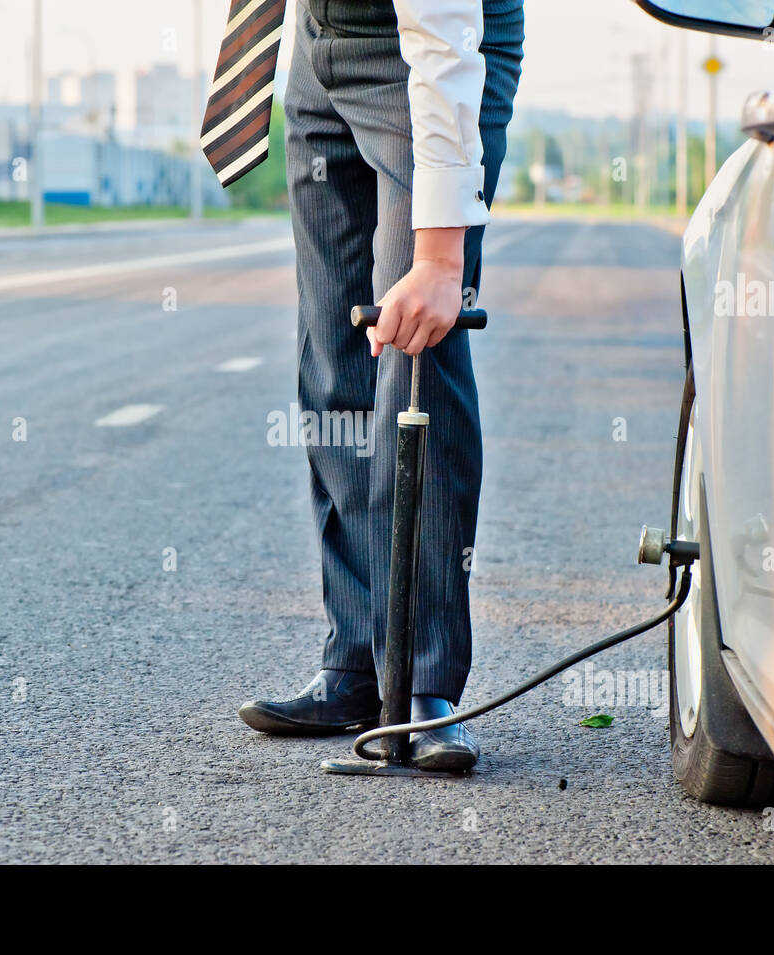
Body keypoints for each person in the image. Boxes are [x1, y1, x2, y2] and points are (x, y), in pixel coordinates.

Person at [202, 0, 523, 771]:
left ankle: (422, 687)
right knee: (333, 360)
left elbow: (442, 44)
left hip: (432, 46)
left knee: (416, 348)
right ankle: (355, 662)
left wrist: (443, 262)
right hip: (318, 46)